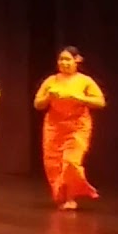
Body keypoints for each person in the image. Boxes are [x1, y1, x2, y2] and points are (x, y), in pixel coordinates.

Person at [34, 46, 106, 210]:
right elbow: (38, 104)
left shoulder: (85, 80)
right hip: (54, 126)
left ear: (77, 61)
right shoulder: (51, 80)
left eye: (68, 59)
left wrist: (78, 97)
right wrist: (48, 97)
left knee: (71, 162)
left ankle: (71, 197)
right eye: (61, 59)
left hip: (77, 126)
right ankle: (63, 196)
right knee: (54, 164)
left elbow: (100, 102)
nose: (64, 63)